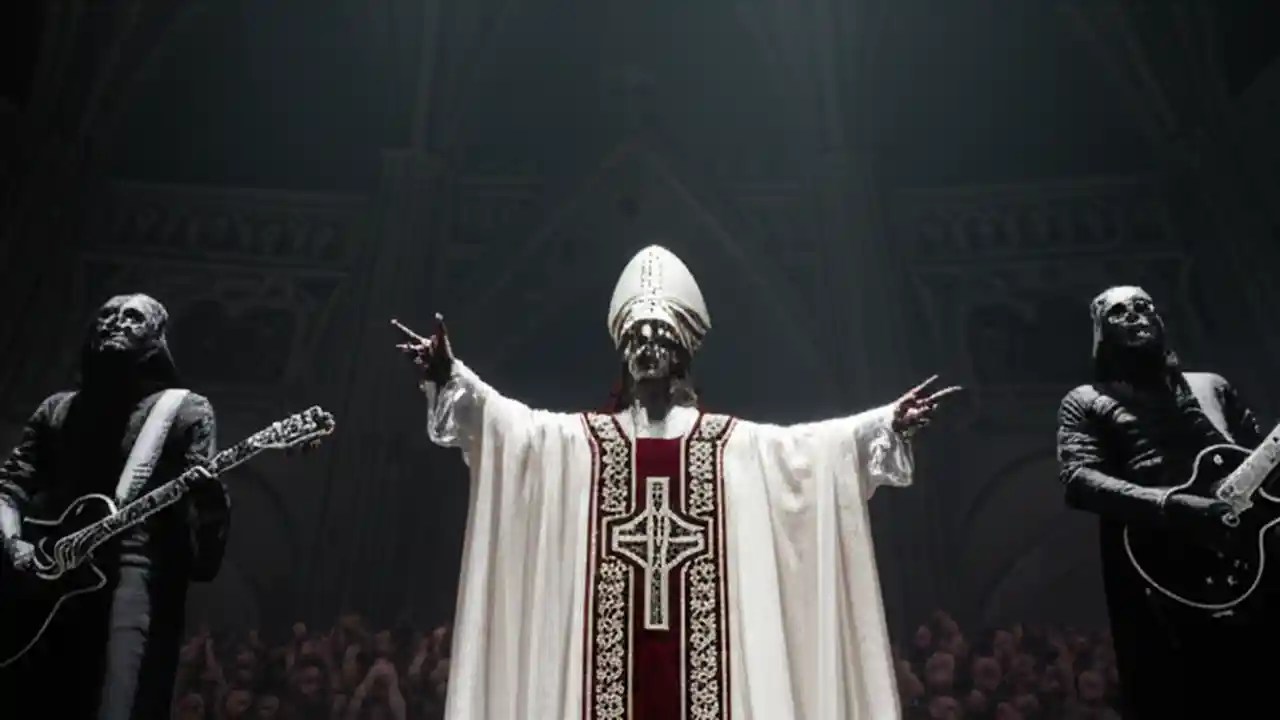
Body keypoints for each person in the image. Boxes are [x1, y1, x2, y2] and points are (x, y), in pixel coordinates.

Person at [394, 245, 959, 719]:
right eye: (636, 336)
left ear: (682, 351)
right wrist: (450, 376)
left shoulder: (732, 448)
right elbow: (510, 429)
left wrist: (884, 425)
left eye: (660, 335)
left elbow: (810, 452)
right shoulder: (582, 445)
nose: (646, 347)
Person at [0, 293, 230, 718]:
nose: (115, 322)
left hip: (134, 584)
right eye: (105, 315)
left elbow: (205, 562)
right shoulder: (56, 411)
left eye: (132, 317)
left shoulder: (183, 412)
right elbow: (8, 488)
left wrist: (212, 504)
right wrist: (15, 546)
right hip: (43, 591)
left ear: (157, 338)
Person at [1055, 285, 1274, 719]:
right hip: (1160, 570)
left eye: (1144, 306)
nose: (1137, 315)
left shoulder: (1212, 388)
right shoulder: (1084, 401)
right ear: (1101, 331)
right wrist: (1171, 506)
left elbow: (1264, 465)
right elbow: (1078, 478)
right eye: (1120, 312)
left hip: (1251, 560)